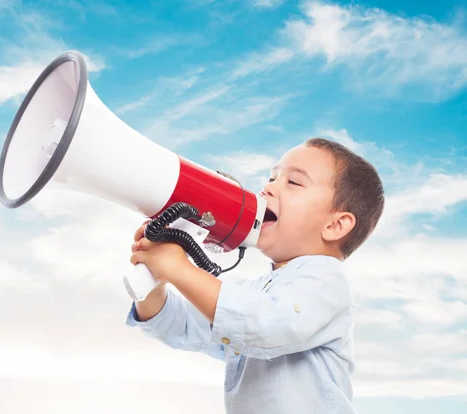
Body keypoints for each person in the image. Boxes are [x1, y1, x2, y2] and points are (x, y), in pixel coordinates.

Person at [125, 138, 385, 413]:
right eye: (272, 178)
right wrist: (155, 281)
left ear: (335, 225)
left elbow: (264, 324)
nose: (268, 188)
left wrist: (179, 269)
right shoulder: (256, 293)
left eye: (293, 183)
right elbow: (182, 327)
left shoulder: (327, 282)